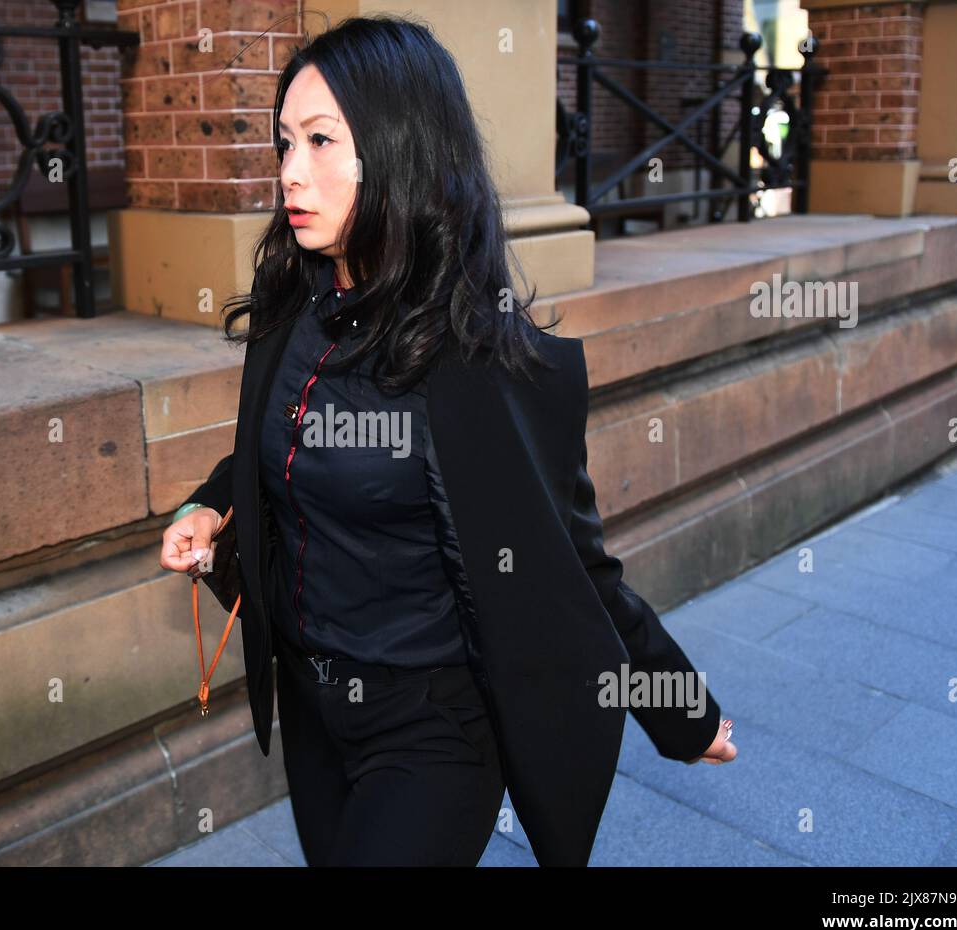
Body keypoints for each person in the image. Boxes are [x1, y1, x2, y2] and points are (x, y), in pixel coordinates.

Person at [159, 15, 736, 867]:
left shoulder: (476, 359)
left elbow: (572, 563)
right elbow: (283, 445)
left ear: (401, 148)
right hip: (316, 709)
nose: (290, 173)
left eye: (322, 141)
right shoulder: (294, 306)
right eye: (283, 143)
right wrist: (212, 505)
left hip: (433, 729)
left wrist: (677, 704)